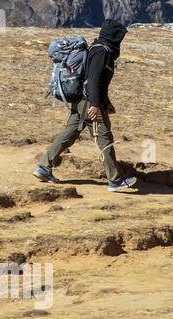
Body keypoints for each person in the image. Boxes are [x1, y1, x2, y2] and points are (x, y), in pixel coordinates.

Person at [34, 21, 137, 192]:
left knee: (69, 134)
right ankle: (115, 180)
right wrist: (96, 104)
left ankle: (44, 167)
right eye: (120, 36)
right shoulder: (101, 51)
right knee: (104, 137)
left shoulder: (100, 49)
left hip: (83, 101)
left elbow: (98, 83)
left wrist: (107, 102)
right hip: (89, 103)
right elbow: (93, 80)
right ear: (113, 36)